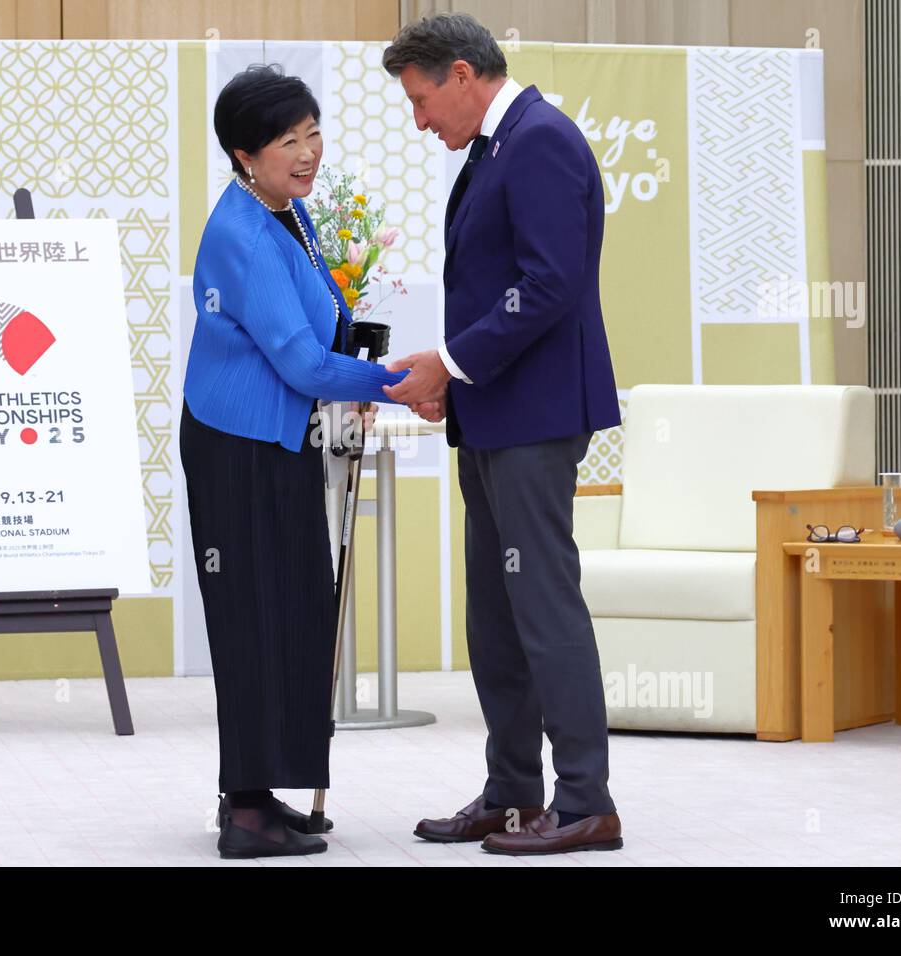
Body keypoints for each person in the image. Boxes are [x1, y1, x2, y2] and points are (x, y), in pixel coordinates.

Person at [381, 13, 625, 855]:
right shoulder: (495, 147)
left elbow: (549, 284)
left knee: (542, 605)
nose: (419, 121)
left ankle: (587, 801)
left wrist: (449, 362)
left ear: (460, 73)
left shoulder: (539, 140)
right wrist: (454, 368)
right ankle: (515, 792)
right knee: (495, 613)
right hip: (495, 413)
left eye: (420, 101)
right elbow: (499, 287)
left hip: (535, 417)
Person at [181, 64, 407, 859]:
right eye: (288, 141)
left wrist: (360, 356)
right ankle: (245, 811)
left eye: (313, 133)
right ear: (245, 153)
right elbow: (300, 365)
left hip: (276, 440)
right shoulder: (242, 234)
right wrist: (395, 382)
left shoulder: (290, 214)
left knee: (293, 610)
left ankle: (265, 791)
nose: (308, 153)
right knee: (253, 617)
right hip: (237, 443)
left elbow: (327, 321)